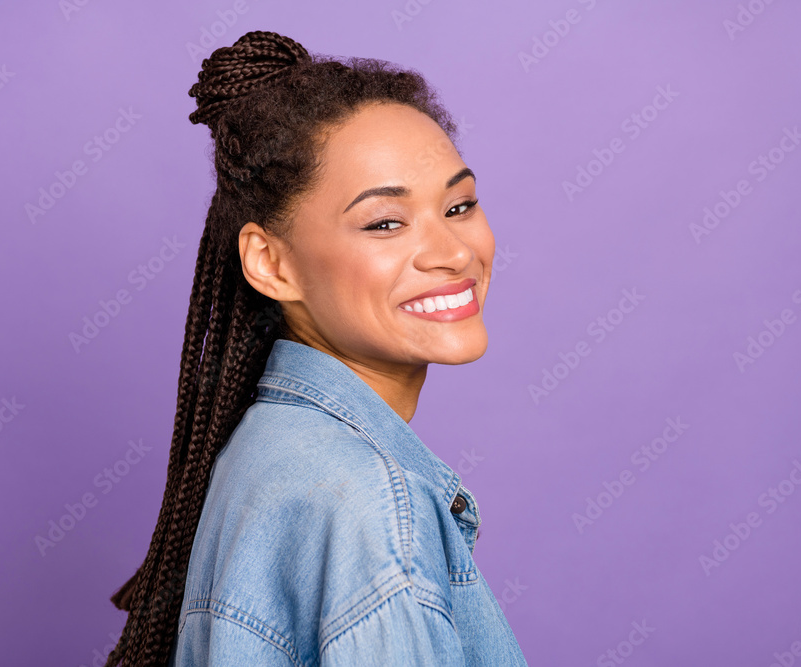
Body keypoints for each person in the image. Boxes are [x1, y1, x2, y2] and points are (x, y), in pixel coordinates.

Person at [105, 30, 530, 666]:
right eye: (385, 222)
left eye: (460, 205)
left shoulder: (270, 448)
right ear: (270, 262)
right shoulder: (372, 505)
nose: (453, 253)